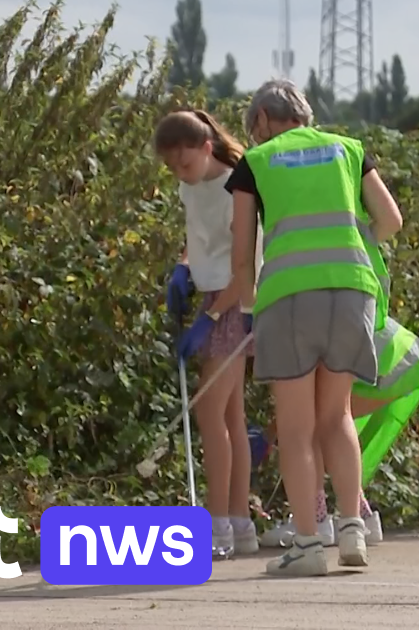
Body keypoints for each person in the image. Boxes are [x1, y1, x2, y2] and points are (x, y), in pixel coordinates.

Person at [225, 78, 403, 577]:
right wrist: (353, 241)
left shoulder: (256, 163)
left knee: (299, 429)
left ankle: (306, 546)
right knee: (337, 416)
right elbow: (391, 220)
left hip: (287, 295)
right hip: (351, 288)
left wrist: (248, 310)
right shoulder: (348, 150)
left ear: (261, 120)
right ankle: (352, 530)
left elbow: (242, 252)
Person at [154, 109, 259, 559]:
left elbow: (246, 265)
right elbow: (196, 236)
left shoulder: (236, 187)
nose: (180, 174)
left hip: (235, 299)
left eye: (185, 164)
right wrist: (182, 269)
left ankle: (216, 524)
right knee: (231, 415)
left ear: (206, 147)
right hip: (209, 292)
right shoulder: (190, 185)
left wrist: (210, 319)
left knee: (208, 414)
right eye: (172, 168)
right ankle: (240, 522)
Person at [260, 319, 419, 548]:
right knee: (329, 425)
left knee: (317, 424)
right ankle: (361, 518)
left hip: (391, 366)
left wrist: (267, 435)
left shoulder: (288, 321)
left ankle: (315, 519)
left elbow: (298, 409)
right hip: (403, 360)